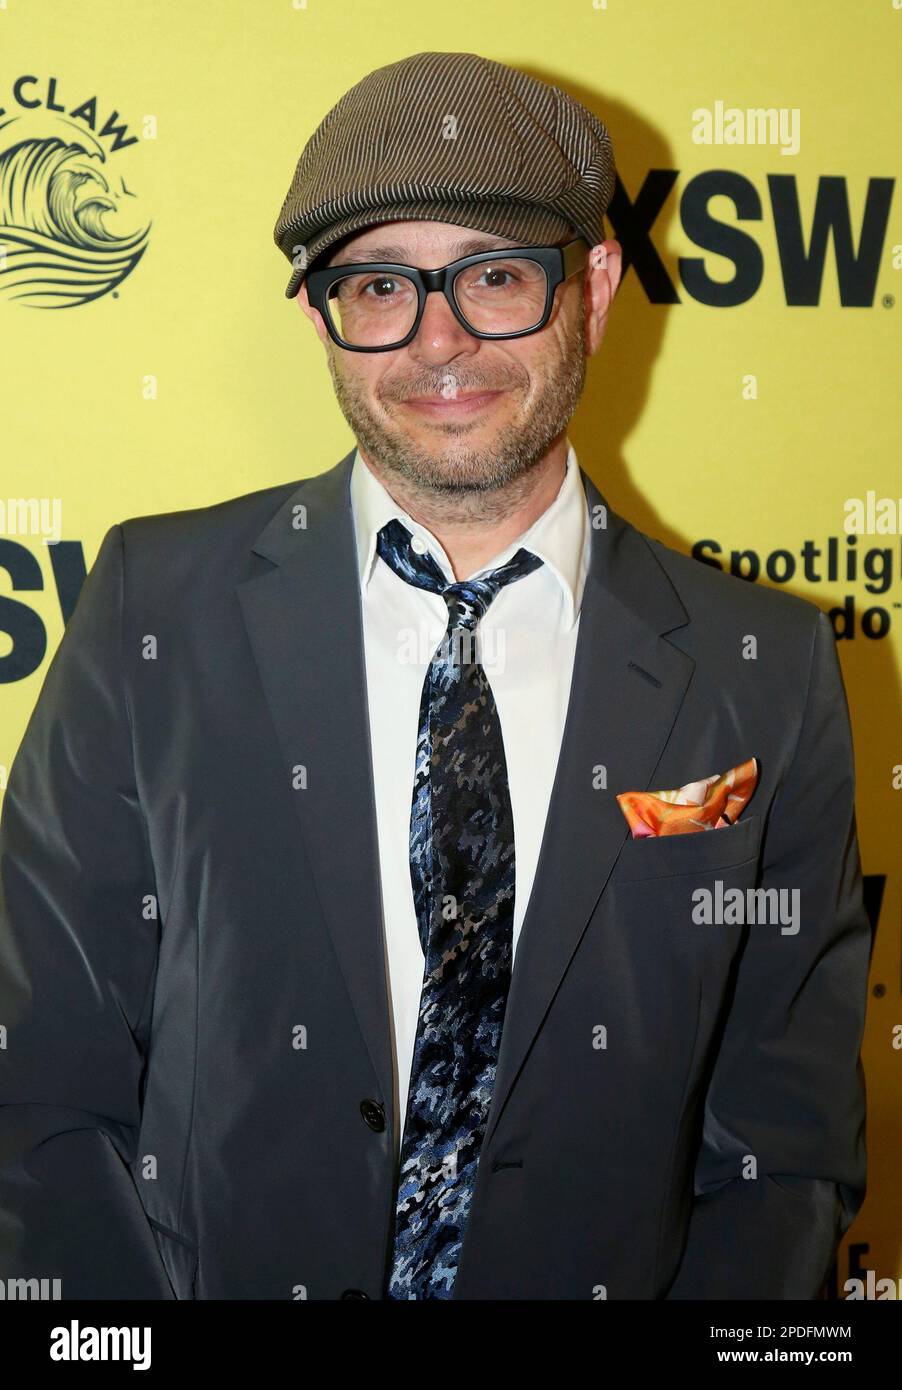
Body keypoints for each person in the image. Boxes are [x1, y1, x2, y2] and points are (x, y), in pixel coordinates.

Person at [0, 51, 868, 1300]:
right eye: (379, 287)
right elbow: (43, 1077)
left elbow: (781, 1147)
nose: (440, 341)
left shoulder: (762, 670)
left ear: (598, 286)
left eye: (496, 277)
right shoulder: (154, 608)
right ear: (318, 316)